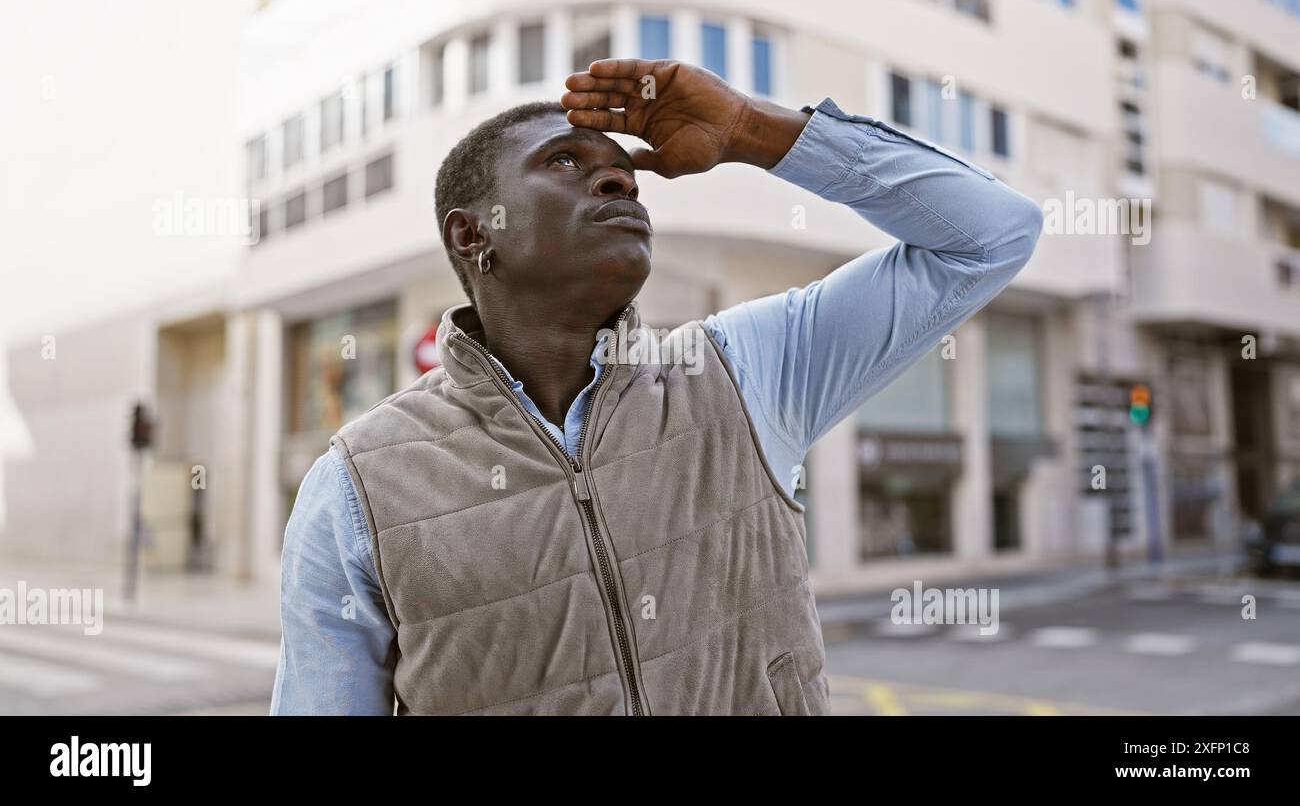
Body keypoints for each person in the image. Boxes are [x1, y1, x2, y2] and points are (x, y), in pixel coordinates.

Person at [270, 58, 1043, 715]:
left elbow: (989, 235)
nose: (618, 177)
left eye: (624, 170)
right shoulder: (355, 489)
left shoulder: (743, 370)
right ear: (473, 234)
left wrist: (751, 131)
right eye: (566, 162)